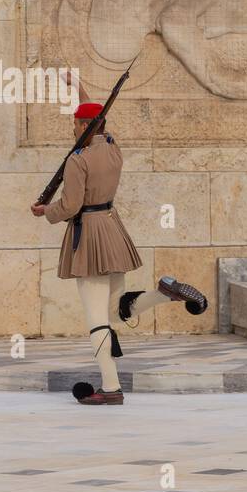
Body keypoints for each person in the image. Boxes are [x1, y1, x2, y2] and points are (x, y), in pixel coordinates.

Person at [30, 76, 207, 405]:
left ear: (83, 124)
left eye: (75, 123)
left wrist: (46, 211)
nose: (72, 128)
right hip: (113, 229)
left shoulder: (77, 160)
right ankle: (162, 293)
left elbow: (70, 205)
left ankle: (110, 388)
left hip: (90, 236)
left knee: (97, 318)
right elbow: (98, 118)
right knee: (116, 308)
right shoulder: (112, 146)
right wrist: (79, 87)